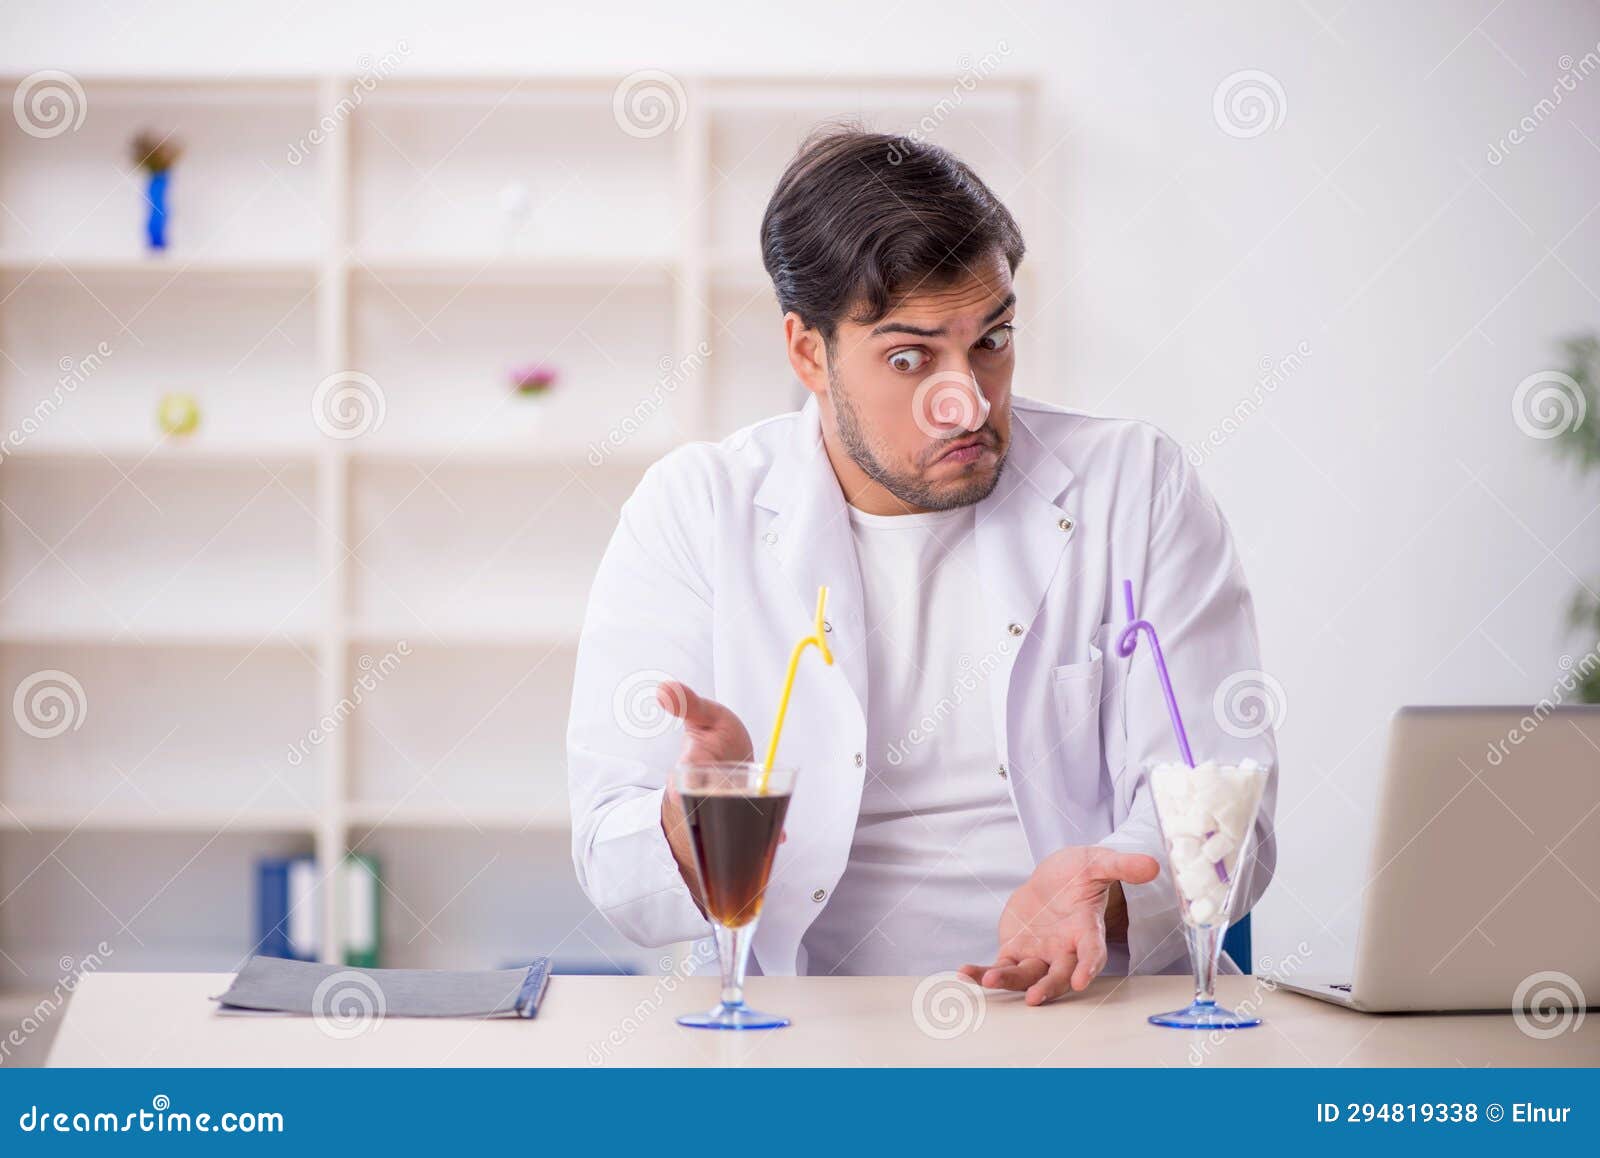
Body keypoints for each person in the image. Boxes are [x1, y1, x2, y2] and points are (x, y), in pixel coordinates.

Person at [567, 126, 1277, 1004]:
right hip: (807, 1031)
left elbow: (1230, 816)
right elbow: (610, 865)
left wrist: (1110, 897)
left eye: (993, 339)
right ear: (807, 353)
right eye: (910, 357)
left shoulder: (1135, 486)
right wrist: (698, 817)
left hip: (1093, 1015)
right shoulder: (696, 509)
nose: (967, 400)